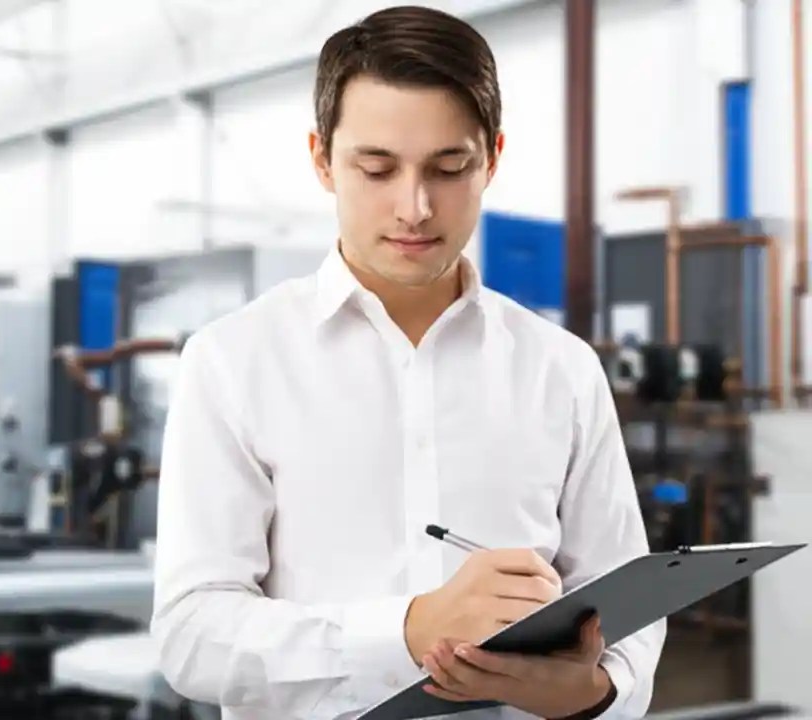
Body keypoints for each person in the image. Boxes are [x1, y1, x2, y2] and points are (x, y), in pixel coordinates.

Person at [150, 5, 665, 720]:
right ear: (322, 159)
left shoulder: (562, 369)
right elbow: (191, 637)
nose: (415, 207)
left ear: (493, 158)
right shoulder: (233, 362)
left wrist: (592, 692)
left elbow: (627, 604)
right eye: (377, 168)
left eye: (449, 167)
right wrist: (408, 630)